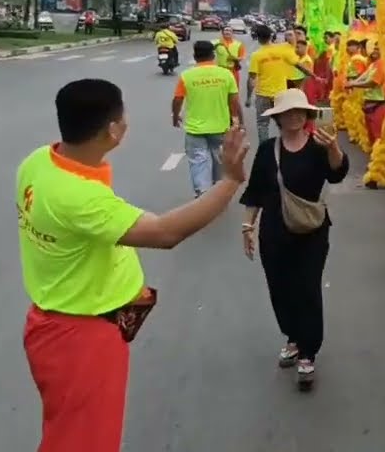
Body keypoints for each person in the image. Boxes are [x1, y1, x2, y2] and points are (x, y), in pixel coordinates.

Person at [18, 79, 248, 452]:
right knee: (85, 442)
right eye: (123, 115)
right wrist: (231, 181)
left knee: (67, 430)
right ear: (112, 130)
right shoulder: (80, 198)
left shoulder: (38, 162)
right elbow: (163, 233)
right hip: (83, 339)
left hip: (55, 324)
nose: (127, 121)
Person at [239, 88, 349, 391]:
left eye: (300, 111)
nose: (295, 116)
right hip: (274, 231)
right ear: (278, 118)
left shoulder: (318, 146)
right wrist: (248, 226)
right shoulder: (267, 150)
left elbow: (337, 174)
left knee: (308, 288)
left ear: (308, 115)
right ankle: (292, 337)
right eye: (288, 112)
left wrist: (334, 150)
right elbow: (256, 191)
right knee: (280, 288)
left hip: (311, 231)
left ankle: (309, 351)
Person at [172, 41, 241, 198]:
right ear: (213, 55)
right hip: (220, 127)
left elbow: (177, 100)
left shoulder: (187, 76)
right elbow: (234, 99)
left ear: (195, 56)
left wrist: (175, 117)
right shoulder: (225, 74)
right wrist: (235, 118)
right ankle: (217, 190)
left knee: (198, 160)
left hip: (195, 129)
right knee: (219, 159)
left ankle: (202, 191)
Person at [247, 25, 315, 142]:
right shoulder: (282, 50)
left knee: (262, 124)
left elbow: (252, 79)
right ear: (271, 36)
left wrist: (248, 98)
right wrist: (312, 75)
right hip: (281, 94)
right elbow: (298, 64)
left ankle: (264, 149)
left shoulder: (256, 56)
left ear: (257, 38)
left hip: (263, 94)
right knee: (284, 122)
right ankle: (286, 144)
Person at [214, 26, 246, 98]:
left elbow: (242, 57)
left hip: (233, 70)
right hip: (219, 70)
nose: (227, 32)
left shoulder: (239, 44)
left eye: (229, 30)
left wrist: (235, 58)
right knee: (219, 91)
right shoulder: (216, 43)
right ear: (222, 32)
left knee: (233, 91)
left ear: (232, 33)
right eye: (225, 30)